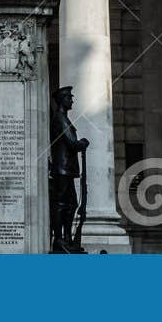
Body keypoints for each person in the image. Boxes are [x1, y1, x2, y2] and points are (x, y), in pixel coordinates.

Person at [48, 85, 88, 253]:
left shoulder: (63, 118)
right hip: (62, 169)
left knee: (70, 204)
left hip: (66, 169)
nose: (72, 100)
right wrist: (83, 143)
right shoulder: (60, 118)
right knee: (62, 204)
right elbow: (71, 142)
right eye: (69, 97)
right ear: (62, 100)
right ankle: (59, 239)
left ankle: (66, 238)